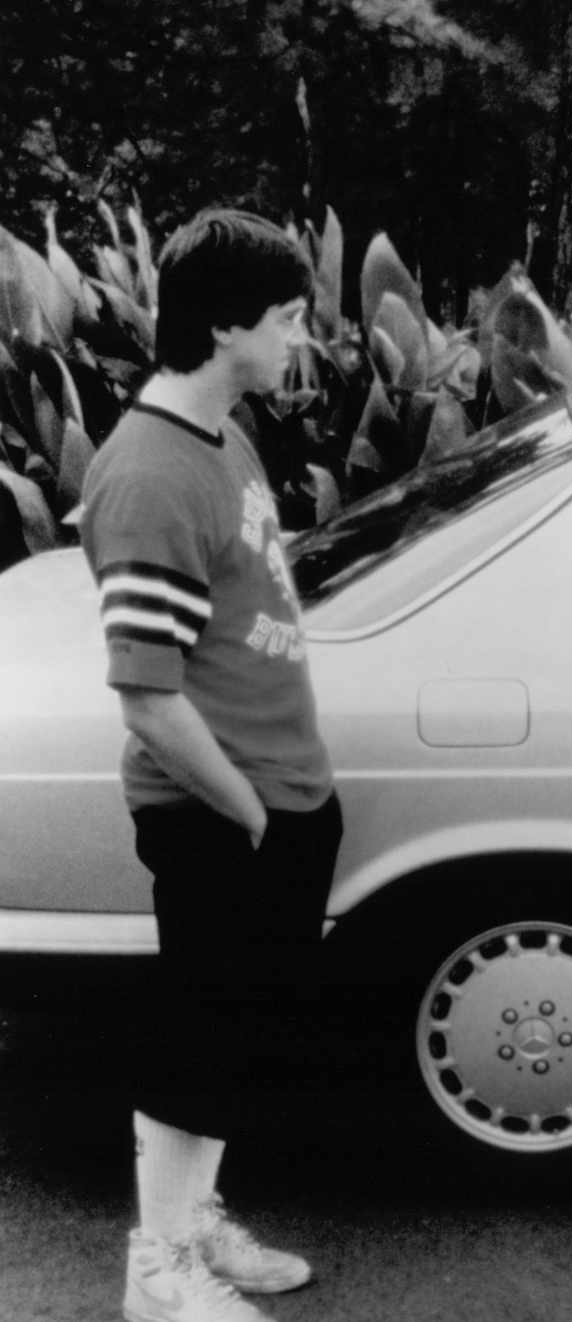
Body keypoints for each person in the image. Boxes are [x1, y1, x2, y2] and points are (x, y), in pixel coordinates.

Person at [80, 210, 342, 1322]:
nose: (302, 340)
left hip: (275, 796)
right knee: (197, 1033)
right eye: (287, 319)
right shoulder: (146, 472)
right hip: (218, 810)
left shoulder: (220, 434)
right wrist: (249, 815)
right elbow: (146, 693)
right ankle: (159, 1272)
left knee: (232, 1036)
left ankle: (195, 1227)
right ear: (228, 322)